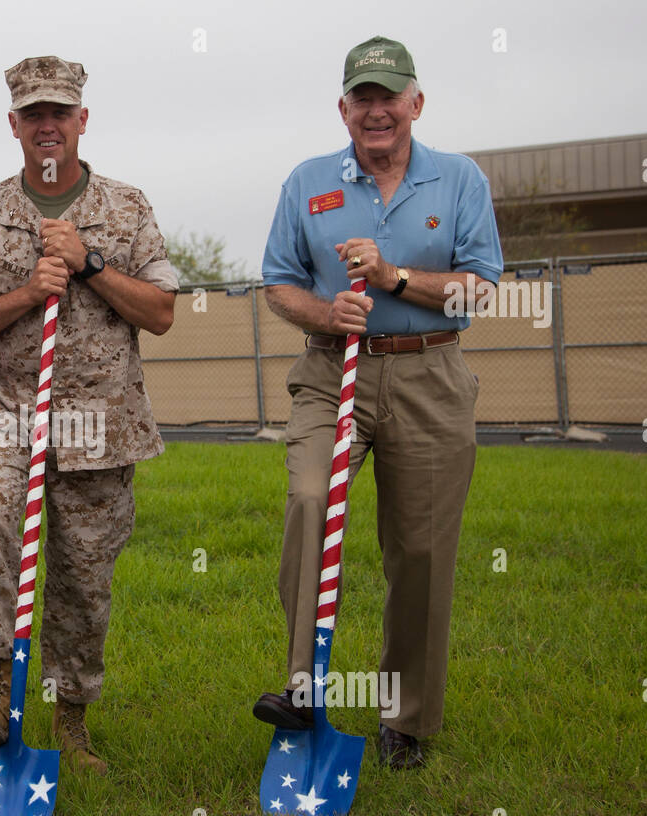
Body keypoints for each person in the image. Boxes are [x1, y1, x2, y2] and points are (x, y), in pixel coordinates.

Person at [253, 37, 503, 768]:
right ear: (344, 109)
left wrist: (393, 279)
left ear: (415, 104)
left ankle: (408, 721)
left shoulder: (458, 180)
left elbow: (477, 289)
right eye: (362, 97)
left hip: (431, 375)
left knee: (421, 550)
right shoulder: (307, 182)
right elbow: (277, 282)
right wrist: (326, 314)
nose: (376, 110)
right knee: (309, 499)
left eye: (388, 96)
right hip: (333, 374)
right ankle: (303, 689)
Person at [0, 56, 178, 776]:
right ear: (14, 124)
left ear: (82, 120)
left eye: (60, 113)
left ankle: (70, 724)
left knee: (83, 579)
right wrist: (26, 294)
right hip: (4, 412)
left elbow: (162, 312)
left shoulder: (126, 208)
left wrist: (91, 264)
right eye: (34, 114)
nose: (48, 125)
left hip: (101, 425)